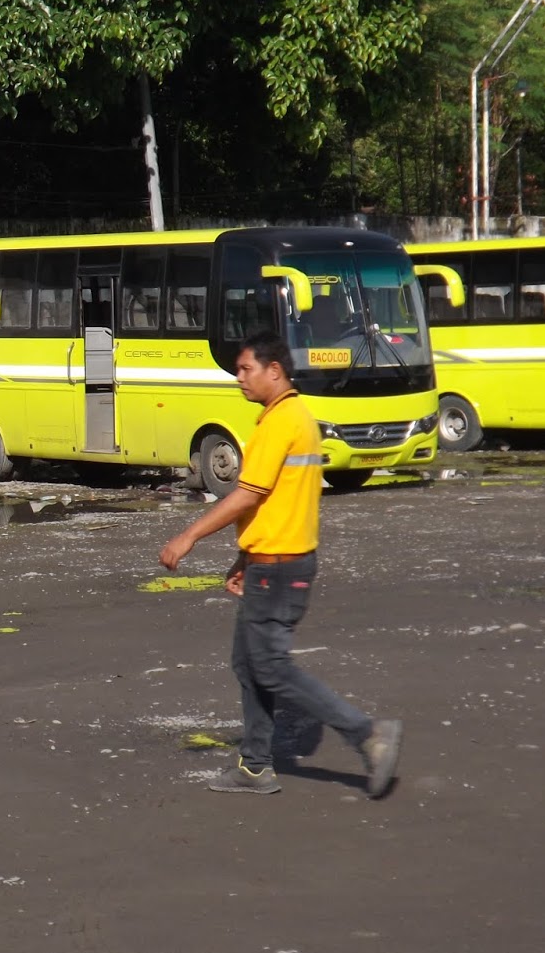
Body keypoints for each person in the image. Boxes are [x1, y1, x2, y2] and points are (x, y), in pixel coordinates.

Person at [159, 330, 402, 798]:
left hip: (281, 568)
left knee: (268, 667)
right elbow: (276, 503)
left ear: (275, 370)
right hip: (274, 559)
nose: (239, 378)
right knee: (249, 664)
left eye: (246, 369)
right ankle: (255, 766)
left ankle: (366, 735)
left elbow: (249, 493)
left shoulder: (280, 421)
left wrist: (187, 536)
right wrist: (244, 556)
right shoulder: (293, 416)